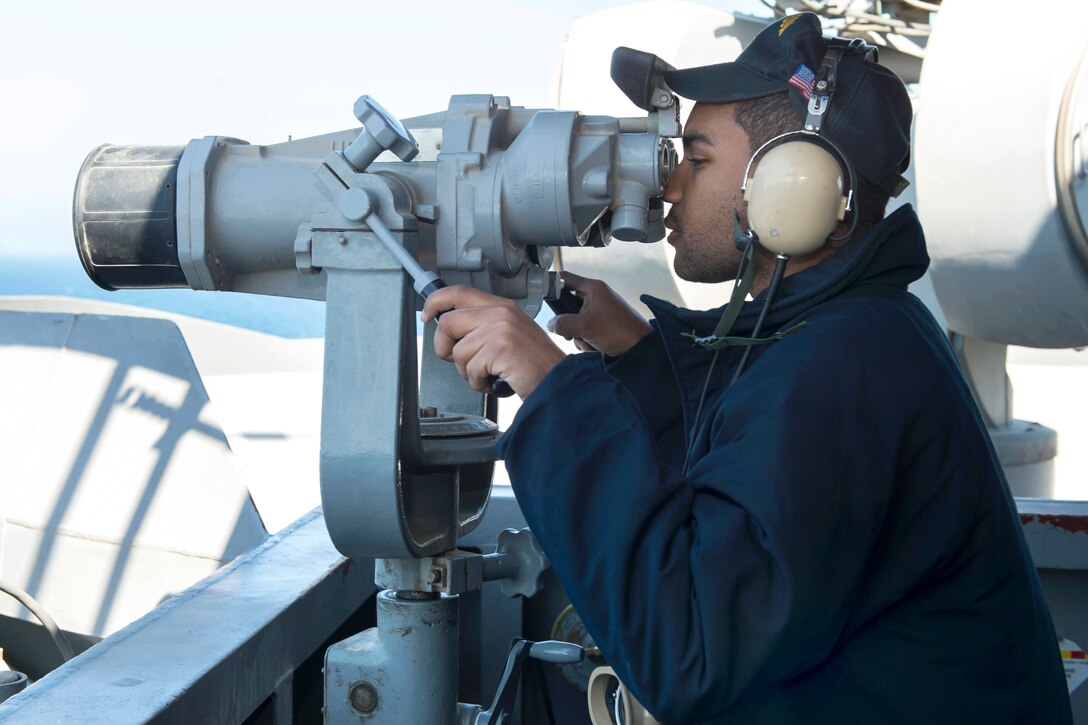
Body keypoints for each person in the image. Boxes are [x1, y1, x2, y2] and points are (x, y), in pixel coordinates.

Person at [423, 13, 1072, 724]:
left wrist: (554, 392)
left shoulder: (842, 370)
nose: (671, 189)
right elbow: (750, 476)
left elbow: (689, 646)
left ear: (793, 185)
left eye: (697, 161)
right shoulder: (854, 330)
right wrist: (635, 354)